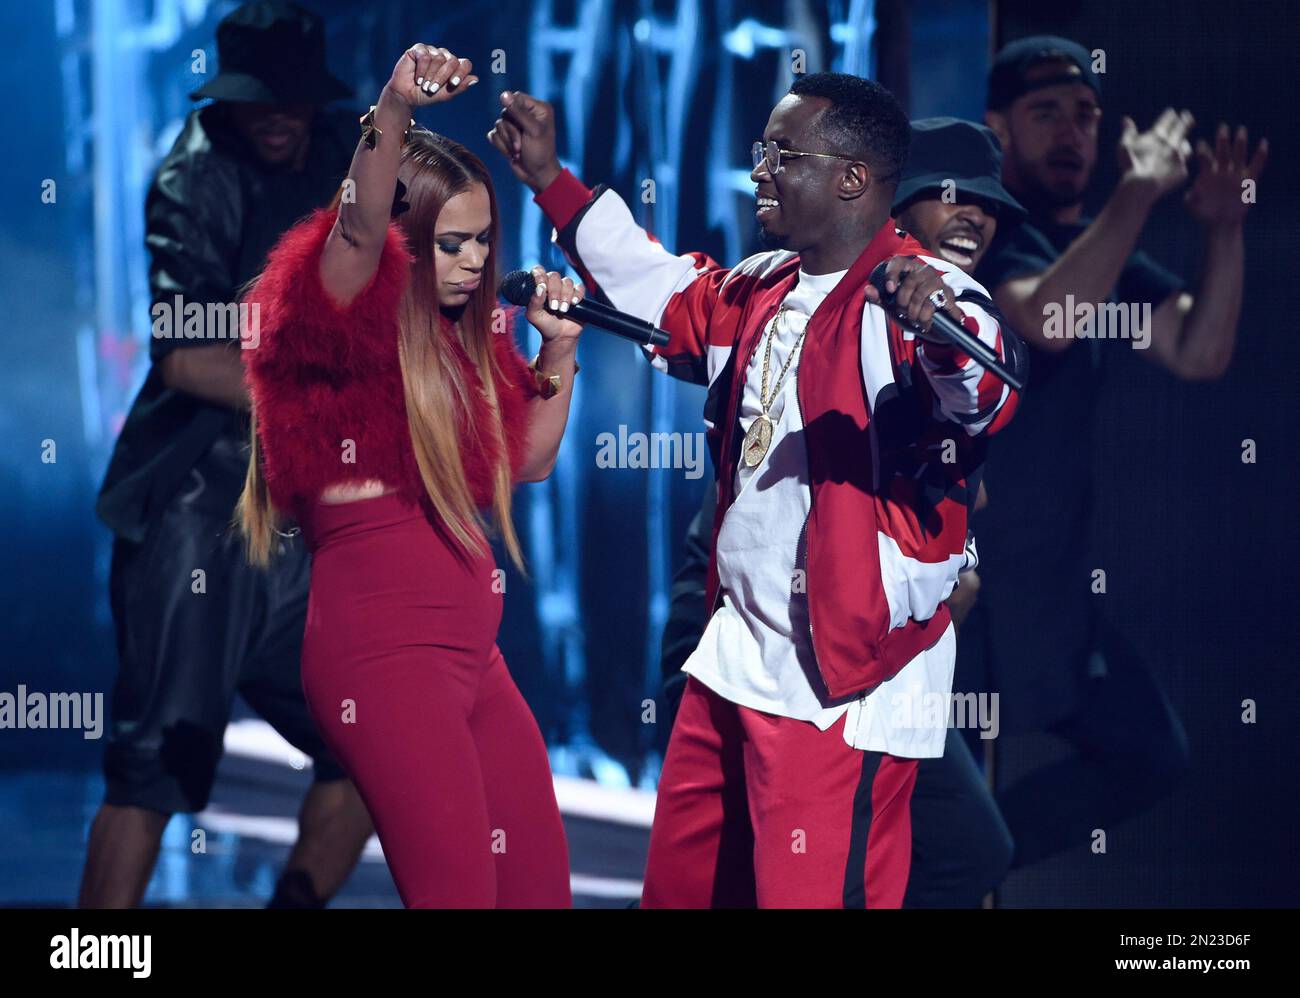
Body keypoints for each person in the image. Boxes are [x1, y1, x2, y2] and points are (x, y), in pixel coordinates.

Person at [491, 74, 1025, 907]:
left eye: (782, 154)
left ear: (852, 178)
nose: (760, 172)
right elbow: (660, 290)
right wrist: (549, 179)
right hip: (732, 665)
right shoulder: (766, 283)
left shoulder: (918, 294)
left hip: (839, 697)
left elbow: (983, 392)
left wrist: (940, 331)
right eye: (760, 152)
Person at [240, 44, 582, 909]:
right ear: (404, 240)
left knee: (536, 889)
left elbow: (532, 459)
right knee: (459, 895)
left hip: (473, 656)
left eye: (483, 243)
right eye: (451, 244)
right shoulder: (340, 316)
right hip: (383, 656)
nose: (475, 262)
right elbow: (358, 224)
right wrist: (393, 108)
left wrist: (562, 348)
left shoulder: (465, 348)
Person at [83, 1, 372, 909]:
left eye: (294, 99)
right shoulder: (194, 175)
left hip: (302, 517)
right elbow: (186, 357)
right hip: (197, 513)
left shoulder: (343, 157)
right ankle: (92, 960)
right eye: (262, 101)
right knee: (154, 764)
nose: (280, 117)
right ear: (232, 98)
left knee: (377, 740)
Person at [964, 35, 1267, 870]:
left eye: (1087, 115)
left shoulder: (1105, 260)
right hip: (959, 598)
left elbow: (1198, 353)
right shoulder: (982, 235)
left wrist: (1224, 230)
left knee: (1150, 754)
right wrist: (1137, 193)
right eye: (1047, 113)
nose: (1072, 132)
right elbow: (1047, 315)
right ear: (999, 128)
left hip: (1050, 601)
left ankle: (951, 874)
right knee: (913, 802)